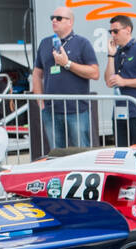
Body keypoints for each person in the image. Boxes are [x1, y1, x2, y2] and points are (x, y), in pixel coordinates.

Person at [32, 7, 99, 151]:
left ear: (70, 22)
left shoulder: (82, 43)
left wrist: (67, 64)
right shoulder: (45, 43)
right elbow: (37, 73)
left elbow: (95, 73)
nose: (54, 21)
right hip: (51, 110)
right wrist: (40, 101)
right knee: (56, 154)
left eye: (59, 18)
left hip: (77, 110)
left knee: (81, 152)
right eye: (52, 18)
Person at [104, 15, 136, 148]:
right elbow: (109, 82)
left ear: (128, 29)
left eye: (116, 31)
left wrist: (125, 82)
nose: (113, 35)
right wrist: (110, 55)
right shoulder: (117, 52)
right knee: (121, 152)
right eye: (111, 32)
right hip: (120, 112)